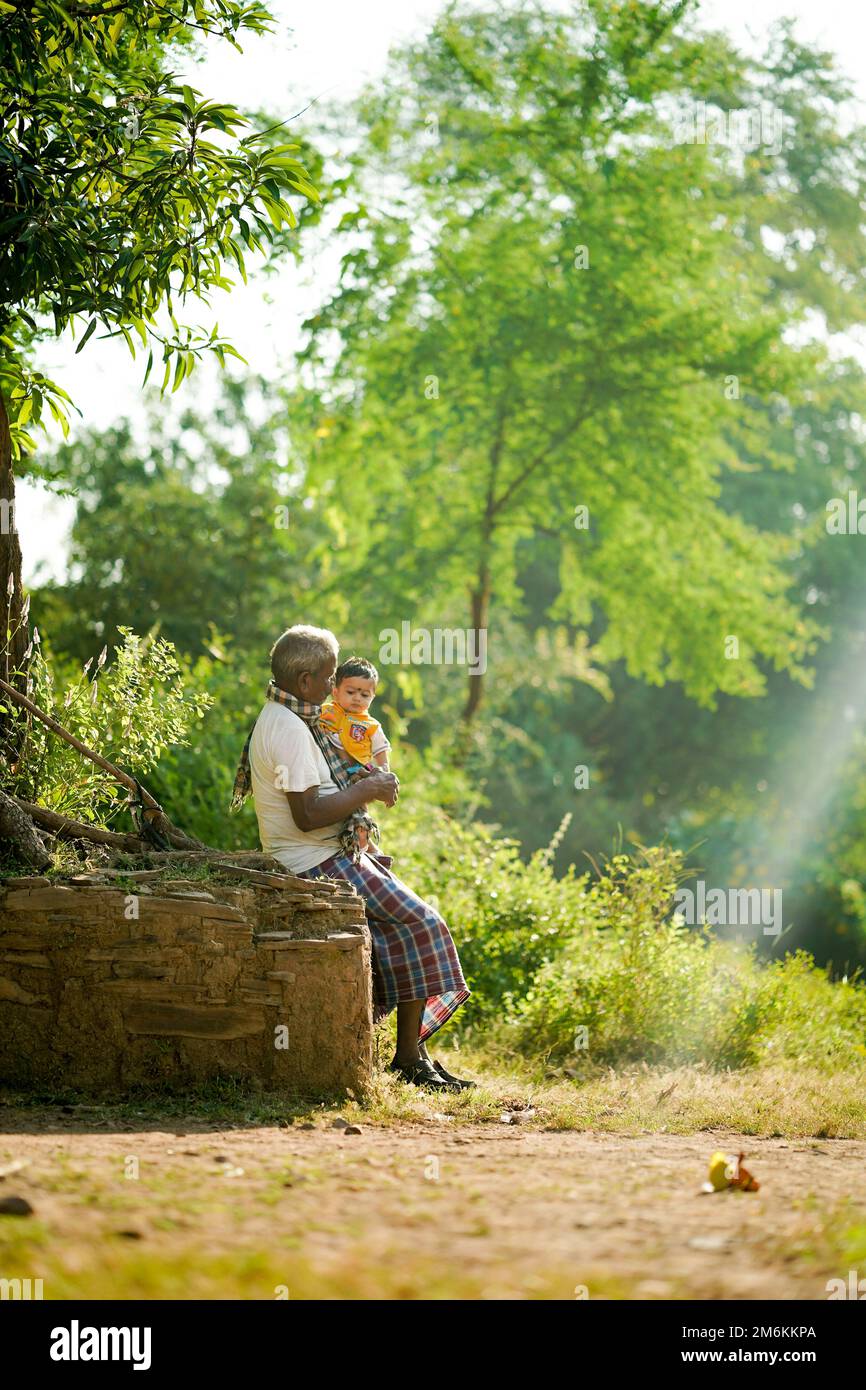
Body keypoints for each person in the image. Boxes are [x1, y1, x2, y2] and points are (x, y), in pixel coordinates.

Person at [230, 624, 476, 1092]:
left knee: (405, 927)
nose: (332, 685)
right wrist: (367, 788)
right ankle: (408, 1060)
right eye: (327, 677)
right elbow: (307, 815)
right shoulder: (288, 729)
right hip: (313, 859)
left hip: (324, 851)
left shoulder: (296, 716)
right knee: (423, 923)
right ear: (304, 681)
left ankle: (414, 1054)